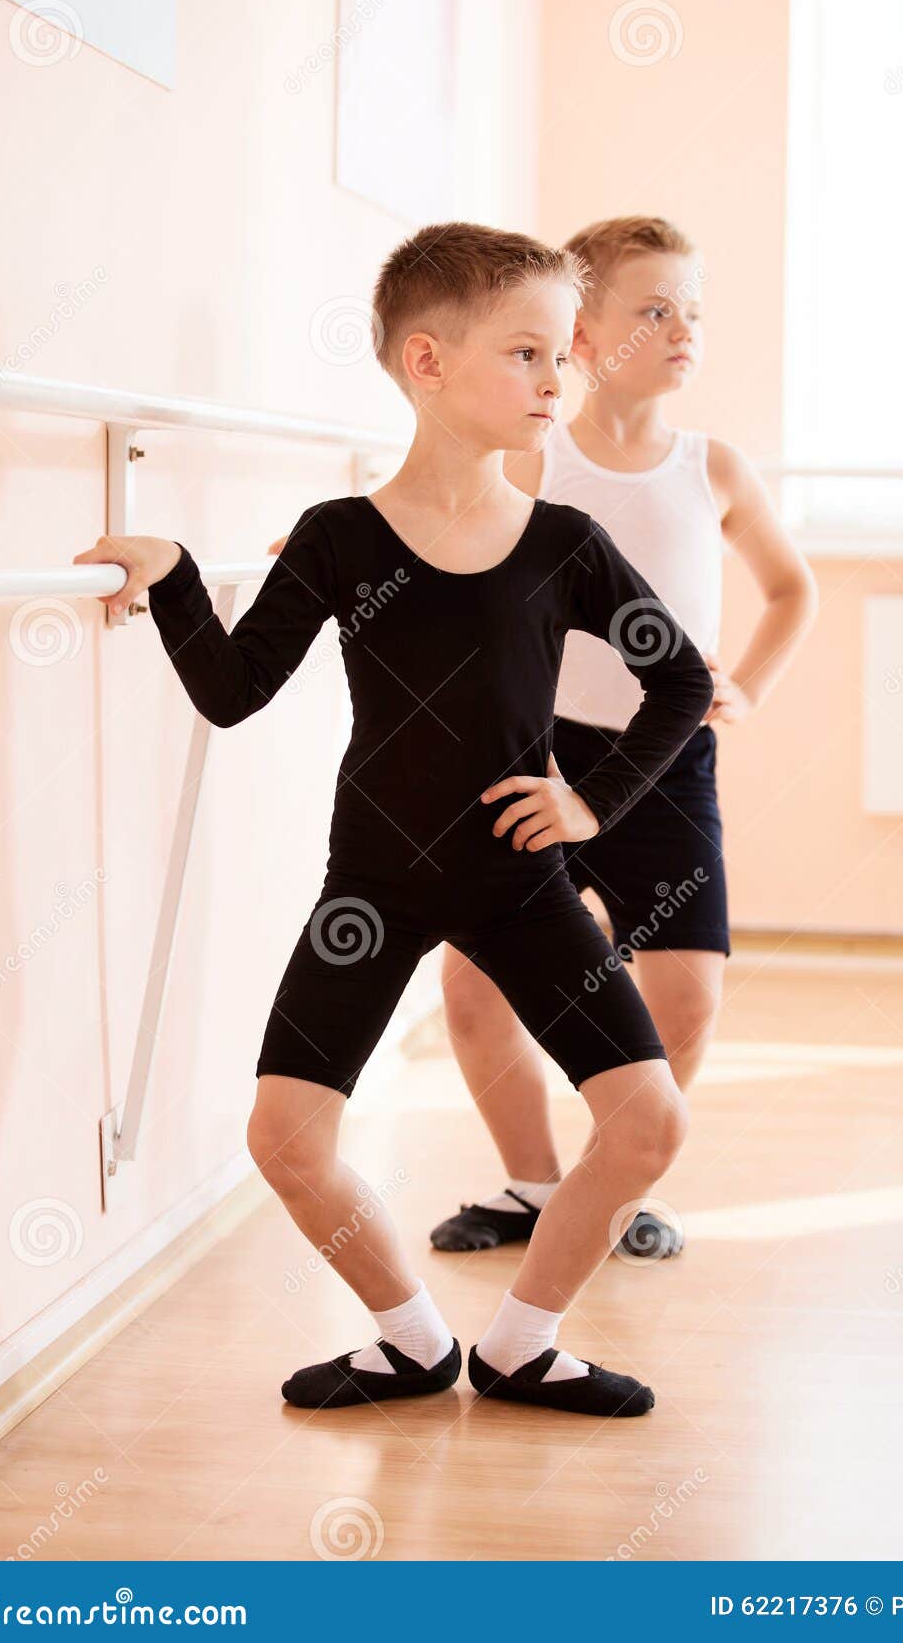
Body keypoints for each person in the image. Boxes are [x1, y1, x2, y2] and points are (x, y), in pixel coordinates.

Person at [74, 221, 714, 1419]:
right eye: (526, 354)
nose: (553, 380)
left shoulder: (565, 547)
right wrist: (169, 579)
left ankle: (523, 1341)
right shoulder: (338, 539)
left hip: (521, 882)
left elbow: (678, 679)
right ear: (426, 363)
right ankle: (410, 1338)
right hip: (371, 886)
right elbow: (231, 689)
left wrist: (589, 798)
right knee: (284, 1138)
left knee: (644, 1123)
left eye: (558, 356)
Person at [421, 217, 819, 1259]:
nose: (681, 328)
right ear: (583, 338)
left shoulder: (712, 467)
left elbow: (788, 589)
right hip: (537, 751)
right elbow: (436, 525)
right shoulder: (536, 457)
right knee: (471, 983)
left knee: (686, 991)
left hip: (666, 763)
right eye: (652, 309)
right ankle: (527, 1184)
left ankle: (614, 1178)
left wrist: (746, 685)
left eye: (691, 309)